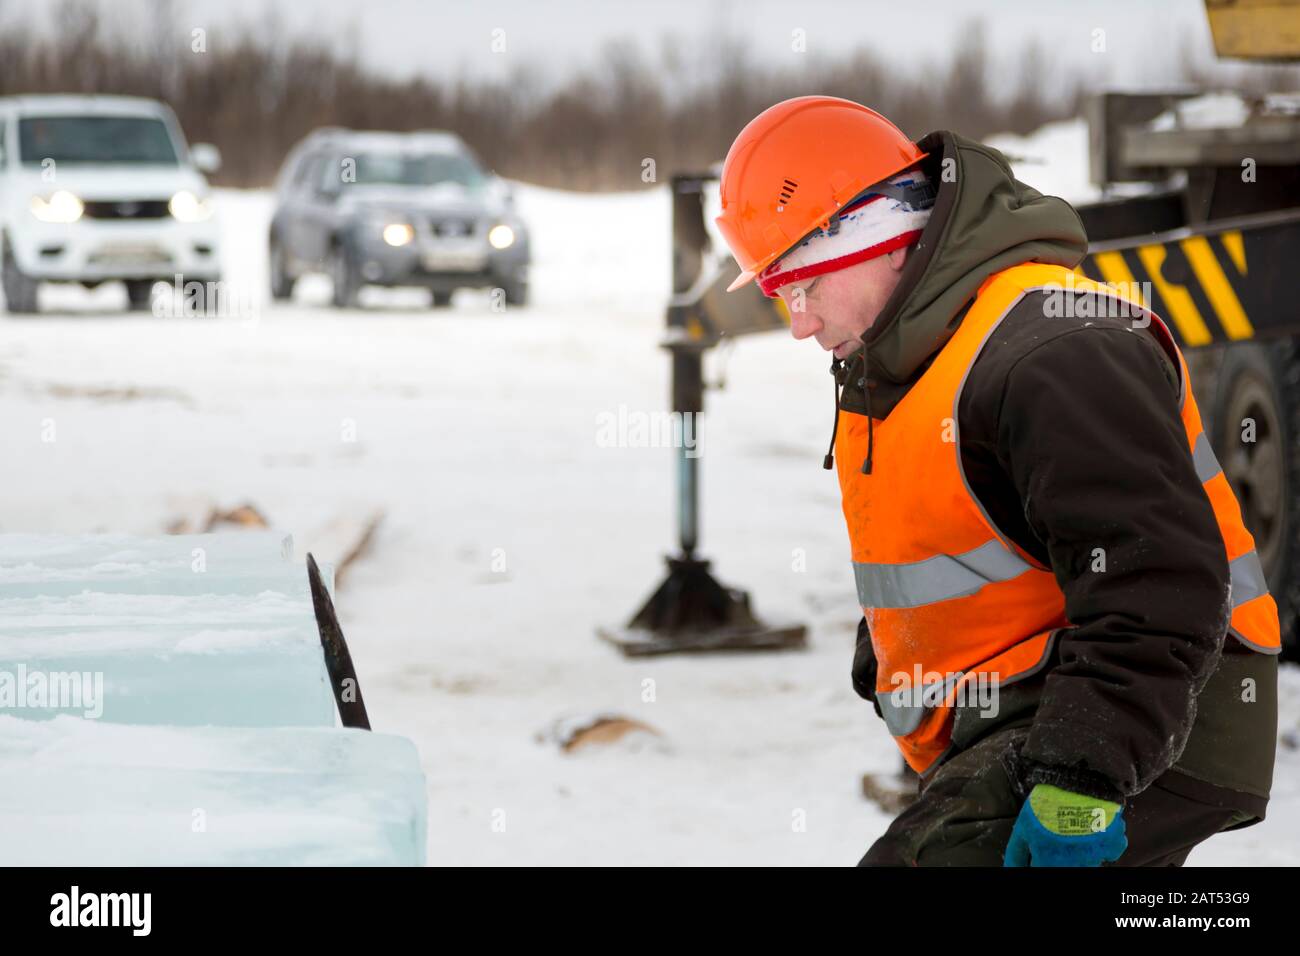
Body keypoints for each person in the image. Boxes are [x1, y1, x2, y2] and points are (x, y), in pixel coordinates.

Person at [715, 95, 1281, 866]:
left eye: (803, 286)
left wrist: (1079, 784)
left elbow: (1158, 584)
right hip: (1030, 710)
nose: (799, 324)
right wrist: (892, 650)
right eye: (783, 296)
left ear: (880, 238)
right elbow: (973, 527)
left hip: (1144, 720)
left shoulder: (1054, 350)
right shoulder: (908, 360)